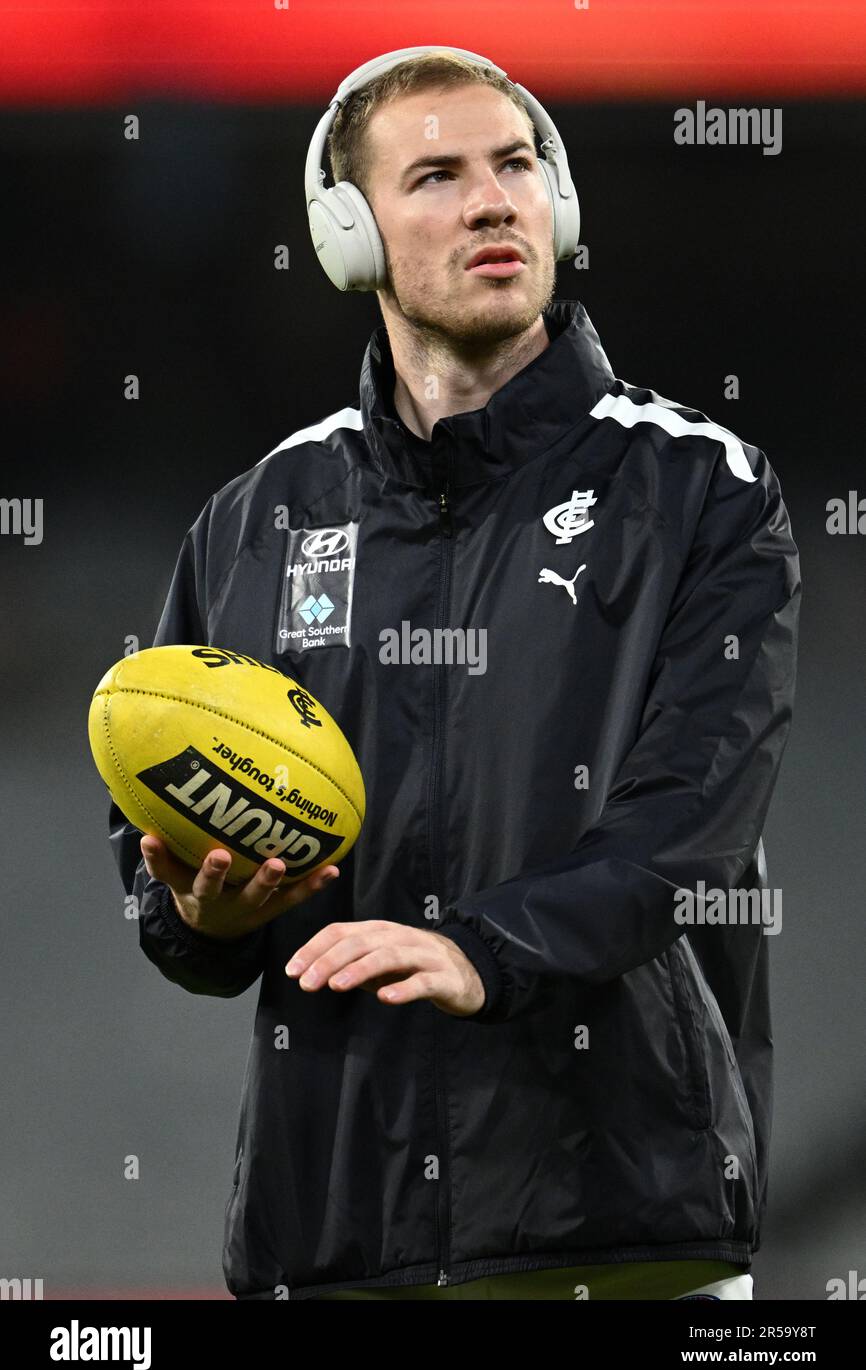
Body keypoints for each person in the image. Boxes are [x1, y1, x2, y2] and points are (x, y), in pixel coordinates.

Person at [108, 47, 800, 1301]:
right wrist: (196, 921)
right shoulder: (256, 519)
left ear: (559, 204)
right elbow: (164, 868)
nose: (492, 201)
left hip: (625, 1227)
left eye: (516, 165)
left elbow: (688, 825)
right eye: (434, 174)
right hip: (331, 1233)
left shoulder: (698, 487)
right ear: (345, 235)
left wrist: (484, 948)